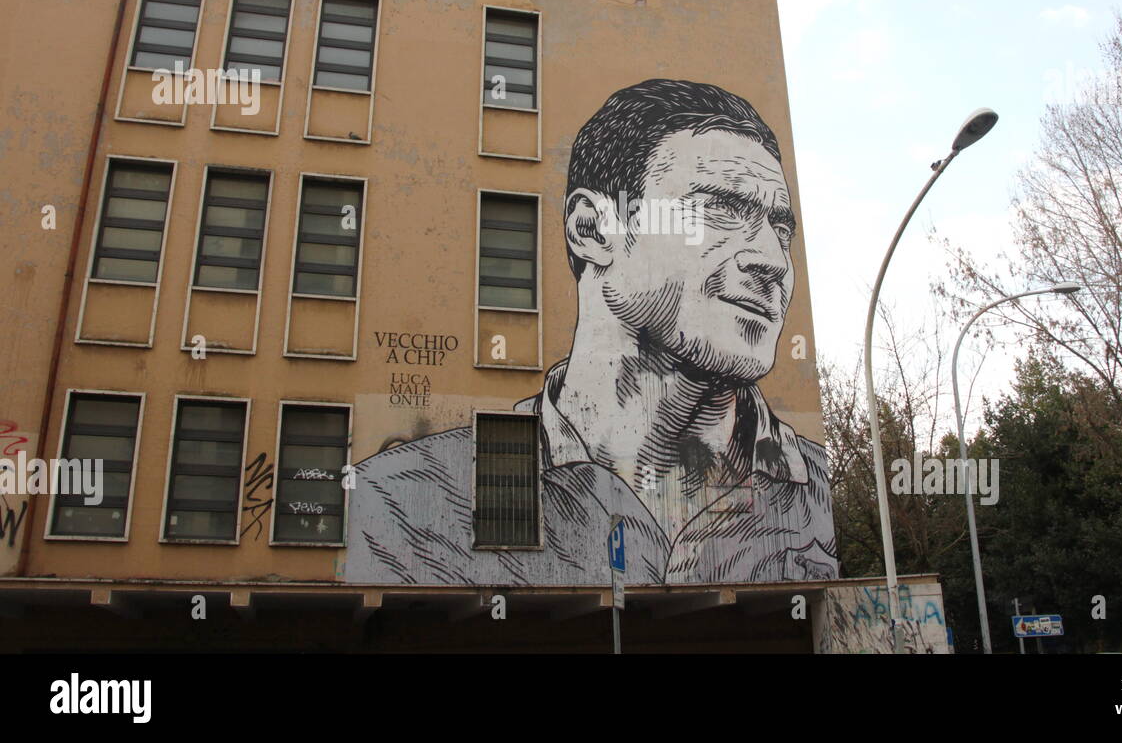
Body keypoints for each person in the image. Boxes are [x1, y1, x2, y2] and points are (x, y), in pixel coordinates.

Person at [345, 79, 838, 585]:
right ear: (593, 230)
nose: (772, 260)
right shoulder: (405, 503)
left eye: (782, 229)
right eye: (719, 208)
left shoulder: (819, 494)